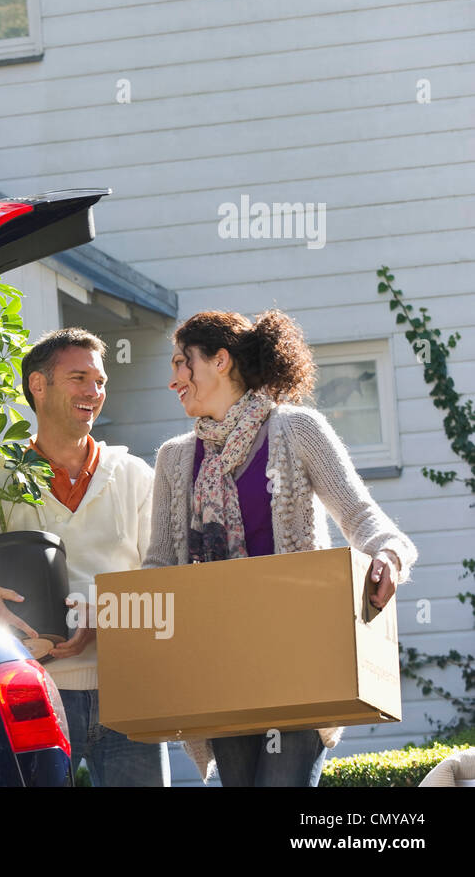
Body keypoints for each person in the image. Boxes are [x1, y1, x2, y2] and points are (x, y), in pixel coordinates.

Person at [145, 309, 418, 786]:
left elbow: (359, 514)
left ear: (221, 361)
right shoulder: (175, 459)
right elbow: (159, 566)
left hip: (299, 654)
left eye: (180, 363)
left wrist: (388, 555)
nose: (173, 380)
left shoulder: (296, 430)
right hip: (220, 663)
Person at [0, 328, 169, 787]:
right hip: (34, 692)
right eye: (79, 378)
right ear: (38, 385)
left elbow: (165, 574)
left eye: (100, 381)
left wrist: (105, 611)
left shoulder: (134, 476)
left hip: (130, 688)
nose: (93, 392)